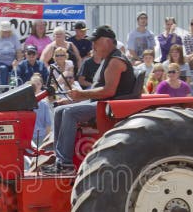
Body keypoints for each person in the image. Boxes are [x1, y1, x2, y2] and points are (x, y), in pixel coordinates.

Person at [42, 25, 135, 174]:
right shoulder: (108, 59)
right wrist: (75, 99)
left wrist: (81, 95)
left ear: (107, 41)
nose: (93, 46)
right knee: (60, 110)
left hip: (109, 107)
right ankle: (59, 159)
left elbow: (108, 91)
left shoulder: (115, 61)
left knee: (70, 113)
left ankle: (65, 164)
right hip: (102, 102)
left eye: (96, 42)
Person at [0, 21, 20, 86]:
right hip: (0, 63)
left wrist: (17, 62)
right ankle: (4, 89)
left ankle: (16, 88)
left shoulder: (14, 37)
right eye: (4, 31)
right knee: (3, 68)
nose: (6, 33)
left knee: (18, 69)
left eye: (8, 31)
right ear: (1, 31)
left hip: (12, 63)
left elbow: (18, 52)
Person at [30, 75, 52, 145]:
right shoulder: (25, 101)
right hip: (28, 136)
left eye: (38, 84)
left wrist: (47, 140)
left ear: (41, 85)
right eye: (34, 84)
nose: (36, 86)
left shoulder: (44, 103)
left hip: (41, 136)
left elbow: (48, 123)